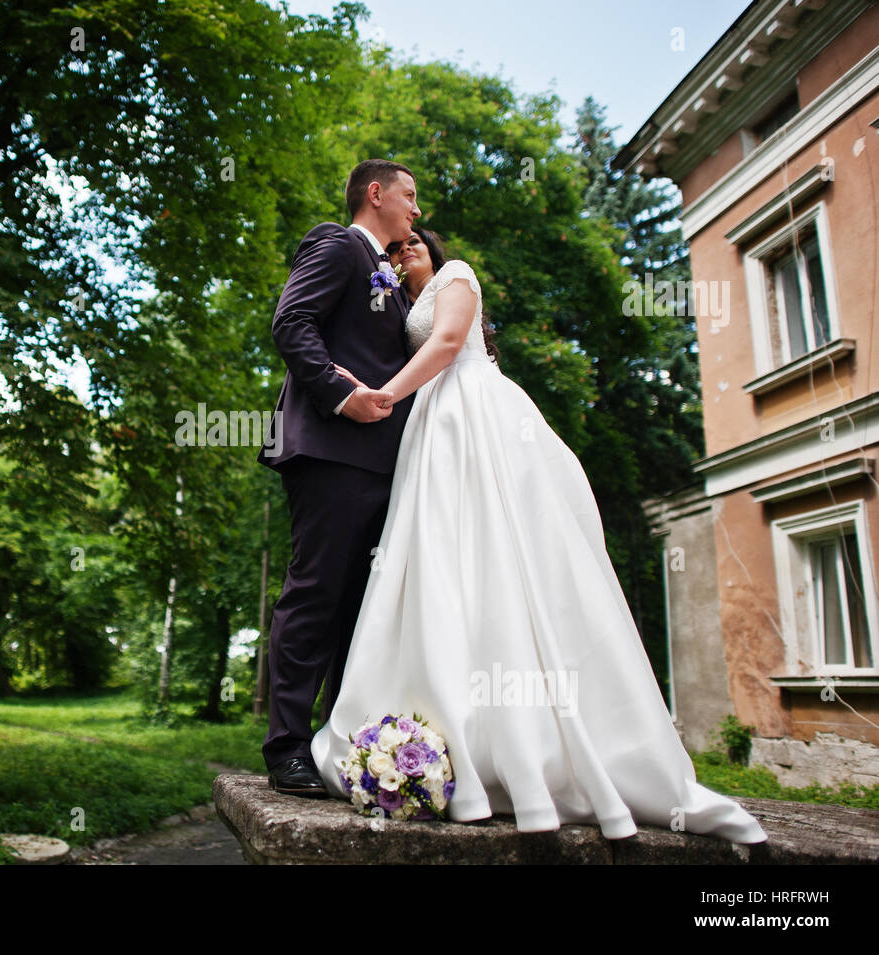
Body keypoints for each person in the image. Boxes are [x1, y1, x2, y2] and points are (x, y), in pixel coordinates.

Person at [309, 225, 768, 844]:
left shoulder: (457, 275)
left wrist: (381, 395)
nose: (406, 246)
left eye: (417, 239)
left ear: (438, 251)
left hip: (474, 414)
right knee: (439, 561)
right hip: (433, 428)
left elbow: (446, 344)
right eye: (396, 248)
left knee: (505, 551)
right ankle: (449, 739)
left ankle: (542, 751)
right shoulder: (397, 308)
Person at [256, 159, 421, 797]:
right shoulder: (336, 243)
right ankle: (287, 747)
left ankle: (337, 742)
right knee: (316, 594)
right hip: (328, 449)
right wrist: (337, 394)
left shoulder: (397, 274)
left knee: (361, 606)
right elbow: (290, 323)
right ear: (374, 194)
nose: (415, 209)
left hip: (386, 461)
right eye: (408, 196)